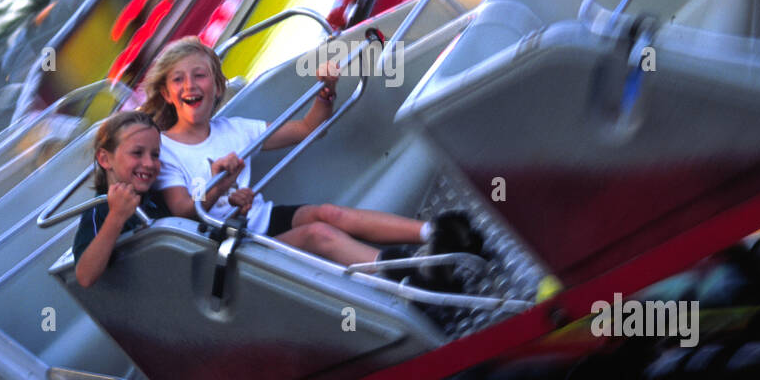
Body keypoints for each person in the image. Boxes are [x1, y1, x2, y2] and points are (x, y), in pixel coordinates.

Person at [139, 36, 480, 277]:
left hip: (260, 220)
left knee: (328, 213)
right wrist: (219, 187)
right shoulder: (165, 148)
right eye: (178, 80)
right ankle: (405, 276)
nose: (190, 86)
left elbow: (307, 128)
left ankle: (438, 233)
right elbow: (183, 210)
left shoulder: (235, 129)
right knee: (319, 235)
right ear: (167, 93)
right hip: (232, 244)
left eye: (199, 76)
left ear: (216, 85)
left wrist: (326, 92)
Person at [72, 110, 171, 287]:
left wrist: (214, 187)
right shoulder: (100, 210)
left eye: (155, 154)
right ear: (105, 159)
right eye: (137, 153)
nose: (149, 163)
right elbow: (85, 276)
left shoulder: (157, 193)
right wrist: (116, 216)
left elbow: (189, 211)